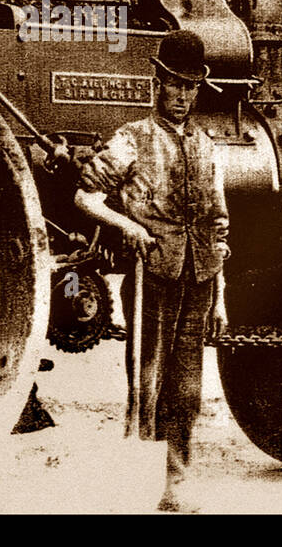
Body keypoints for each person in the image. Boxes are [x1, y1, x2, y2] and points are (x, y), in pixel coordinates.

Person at [75, 30, 229, 513]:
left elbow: (218, 227)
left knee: (186, 387)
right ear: (157, 82)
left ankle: (177, 484)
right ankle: (139, 482)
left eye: (191, 87)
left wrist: (220, 296)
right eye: (174, 85)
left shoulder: (208, 145)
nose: (182, 96)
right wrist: (128, 227)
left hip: (199, 277)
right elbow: (85, 197)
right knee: (146, 382)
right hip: (151, 277)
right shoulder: (131, 139)